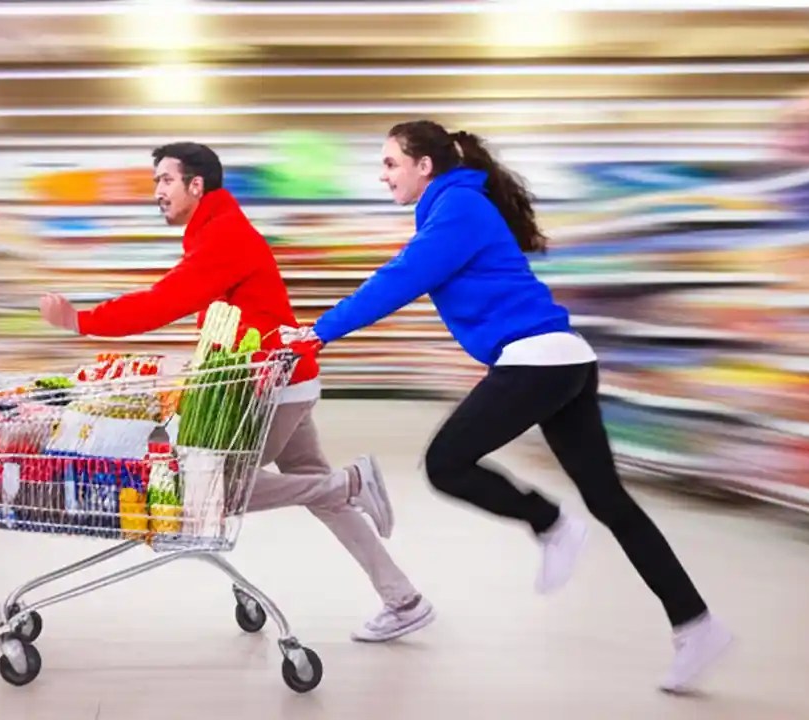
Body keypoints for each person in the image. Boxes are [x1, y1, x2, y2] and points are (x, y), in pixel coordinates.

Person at [286, 121, 732, 691]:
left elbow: (400, 279)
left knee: (447, 463)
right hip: (563, 358)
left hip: (538, 360)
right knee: (609, 500)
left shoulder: (458, 210)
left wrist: (317, 332)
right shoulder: (455, 209)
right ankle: (696, 624)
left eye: (391, 162)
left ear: (426, 166)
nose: (383, 174)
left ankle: (550, 523)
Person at [38, 142, 434, 641]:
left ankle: (351, 482)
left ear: (195, 185)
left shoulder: (224, 236)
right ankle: (403, 599)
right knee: (309, 489)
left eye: (165, 180)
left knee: (213, 489)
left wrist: (80, 321)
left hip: (272, 386)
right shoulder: (213, 233)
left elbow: (166, 301)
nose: (157, 191)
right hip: (280, 378)